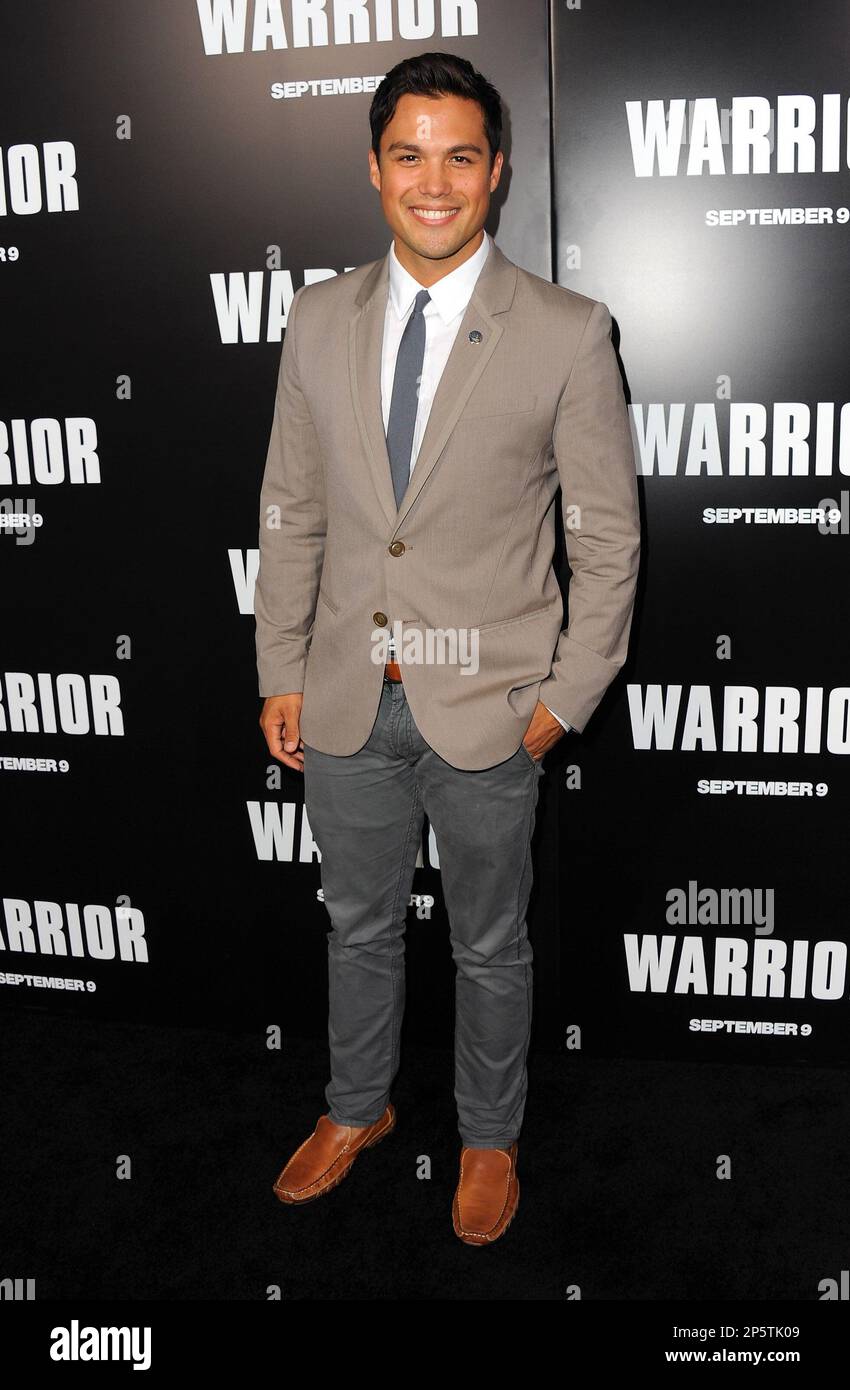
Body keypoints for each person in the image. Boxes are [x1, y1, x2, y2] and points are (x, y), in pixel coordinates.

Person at [255, 51, 641, 1245]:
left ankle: (486, 1135)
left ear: (496, 171)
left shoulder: (569, 333)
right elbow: (293, 508)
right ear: (374, 170)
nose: (434, 182)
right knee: (357, 928)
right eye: (409, 155)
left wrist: (564, 697)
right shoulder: (317, 318)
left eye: (459, 156)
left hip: (491, 705)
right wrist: (279, 667)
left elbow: (607, 539)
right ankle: (355, 1107)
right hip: (343, 697)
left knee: (489, 943)